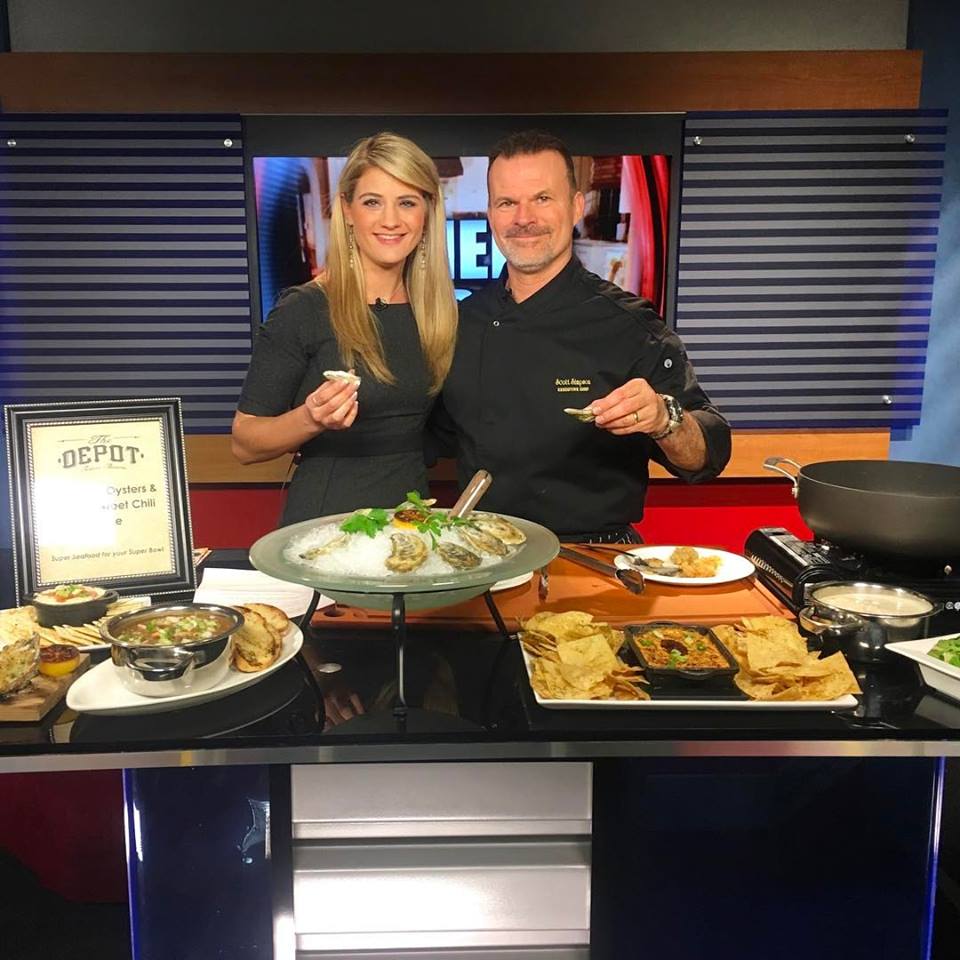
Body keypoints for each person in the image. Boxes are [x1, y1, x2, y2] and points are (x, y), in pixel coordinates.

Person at [434, 130, 731, 543]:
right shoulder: (459, 323)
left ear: (575, 206)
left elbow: (708, 455)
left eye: (542, 198)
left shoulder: (631, 326)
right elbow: (431, 434)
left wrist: (665, 419)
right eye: (507, 202)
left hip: (593, 555)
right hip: (484, 553)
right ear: (491, 214)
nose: (523, 218)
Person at [232, 133, 457, 525]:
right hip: (327, 526)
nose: (391, 220)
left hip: (411, 521)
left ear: (427, 212)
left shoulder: (438, 312)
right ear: (347, 210)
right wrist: (311, 418)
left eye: (407, 202)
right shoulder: (305, 307)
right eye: (373, 202)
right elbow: (245, 442)